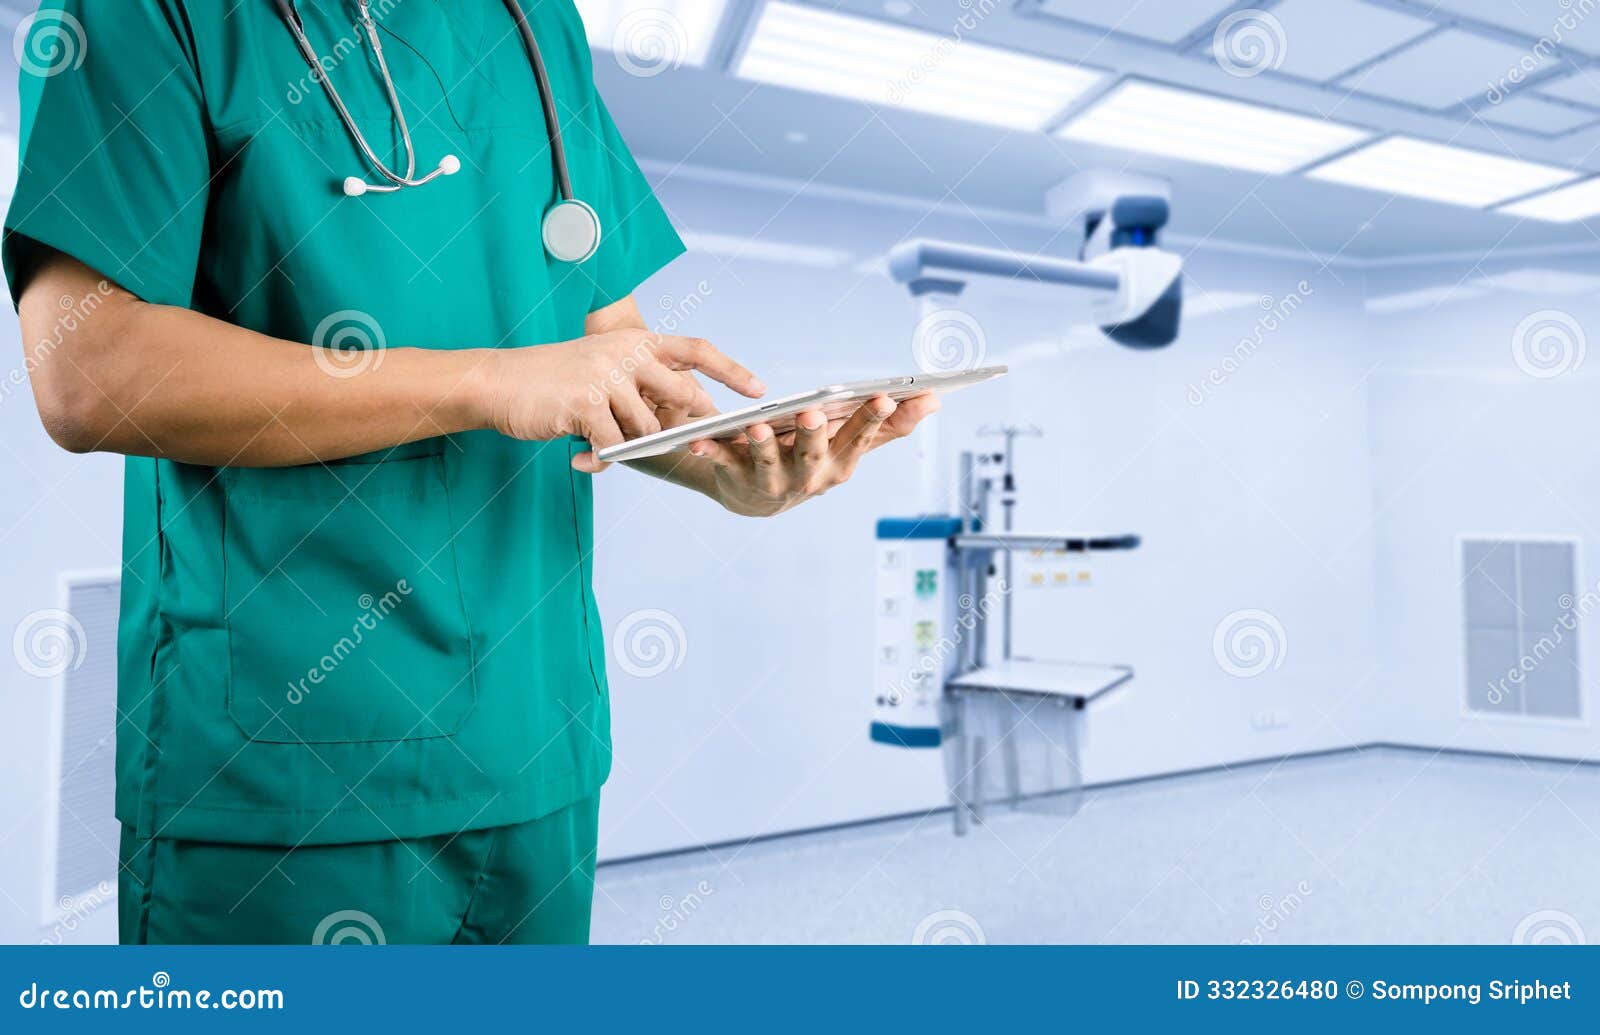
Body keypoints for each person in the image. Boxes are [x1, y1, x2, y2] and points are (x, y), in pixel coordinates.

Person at [7, 0, 937, 945]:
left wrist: (722, 466)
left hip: (538, 748)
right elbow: (92, 371)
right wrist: (486, 379)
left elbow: (596, 340)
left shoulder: (533, 23)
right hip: (289, 774)